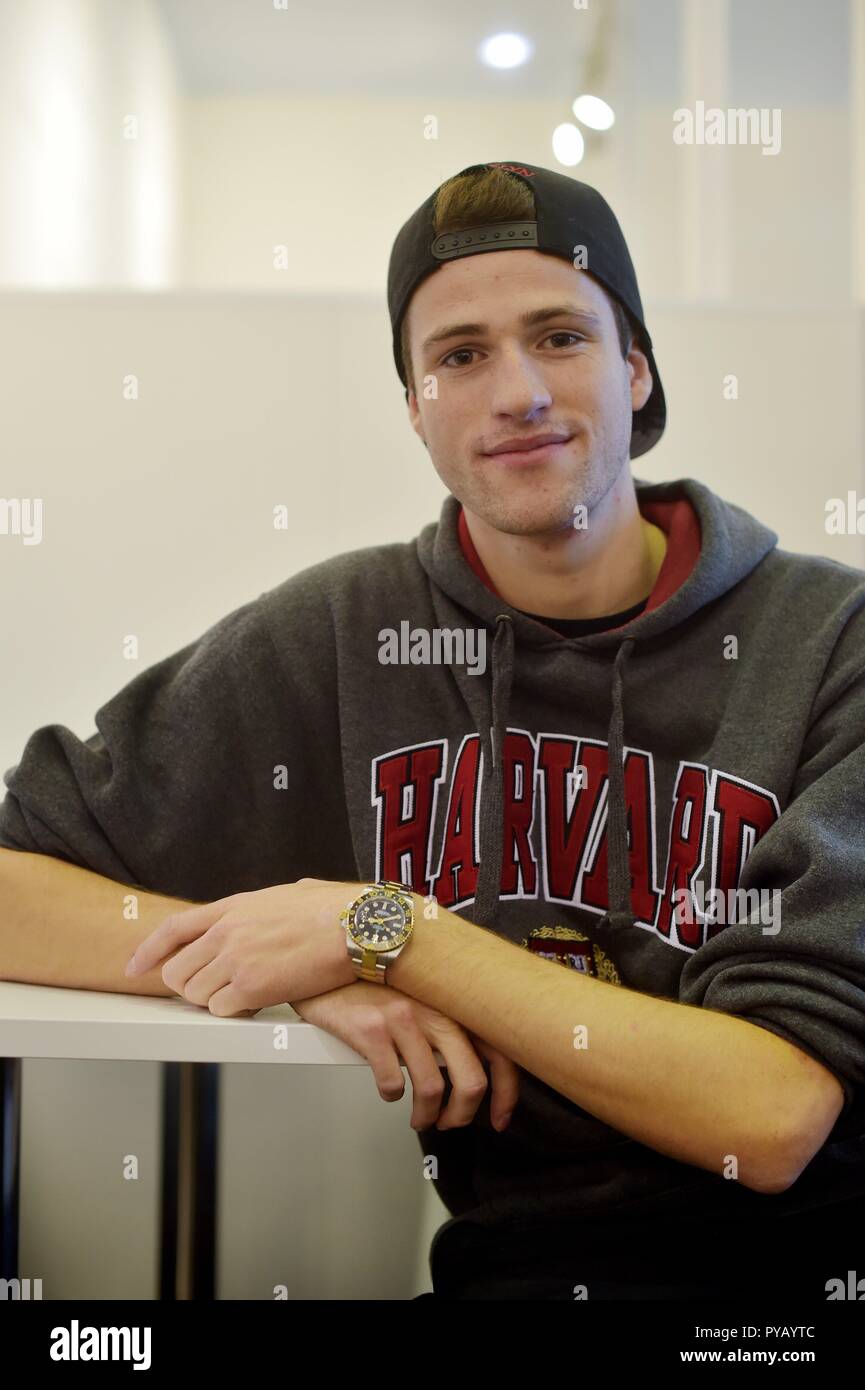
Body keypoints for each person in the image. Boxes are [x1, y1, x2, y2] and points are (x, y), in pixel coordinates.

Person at [2, 161, 864, 1302]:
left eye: (559, 336)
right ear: (415, 406)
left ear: (636, 368)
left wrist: (384, 933)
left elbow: (769, 1116)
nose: (515, 390)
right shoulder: (345, 631)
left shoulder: (829, 643)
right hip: (517, 1276)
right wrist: (284, 969)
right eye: (459, 355)